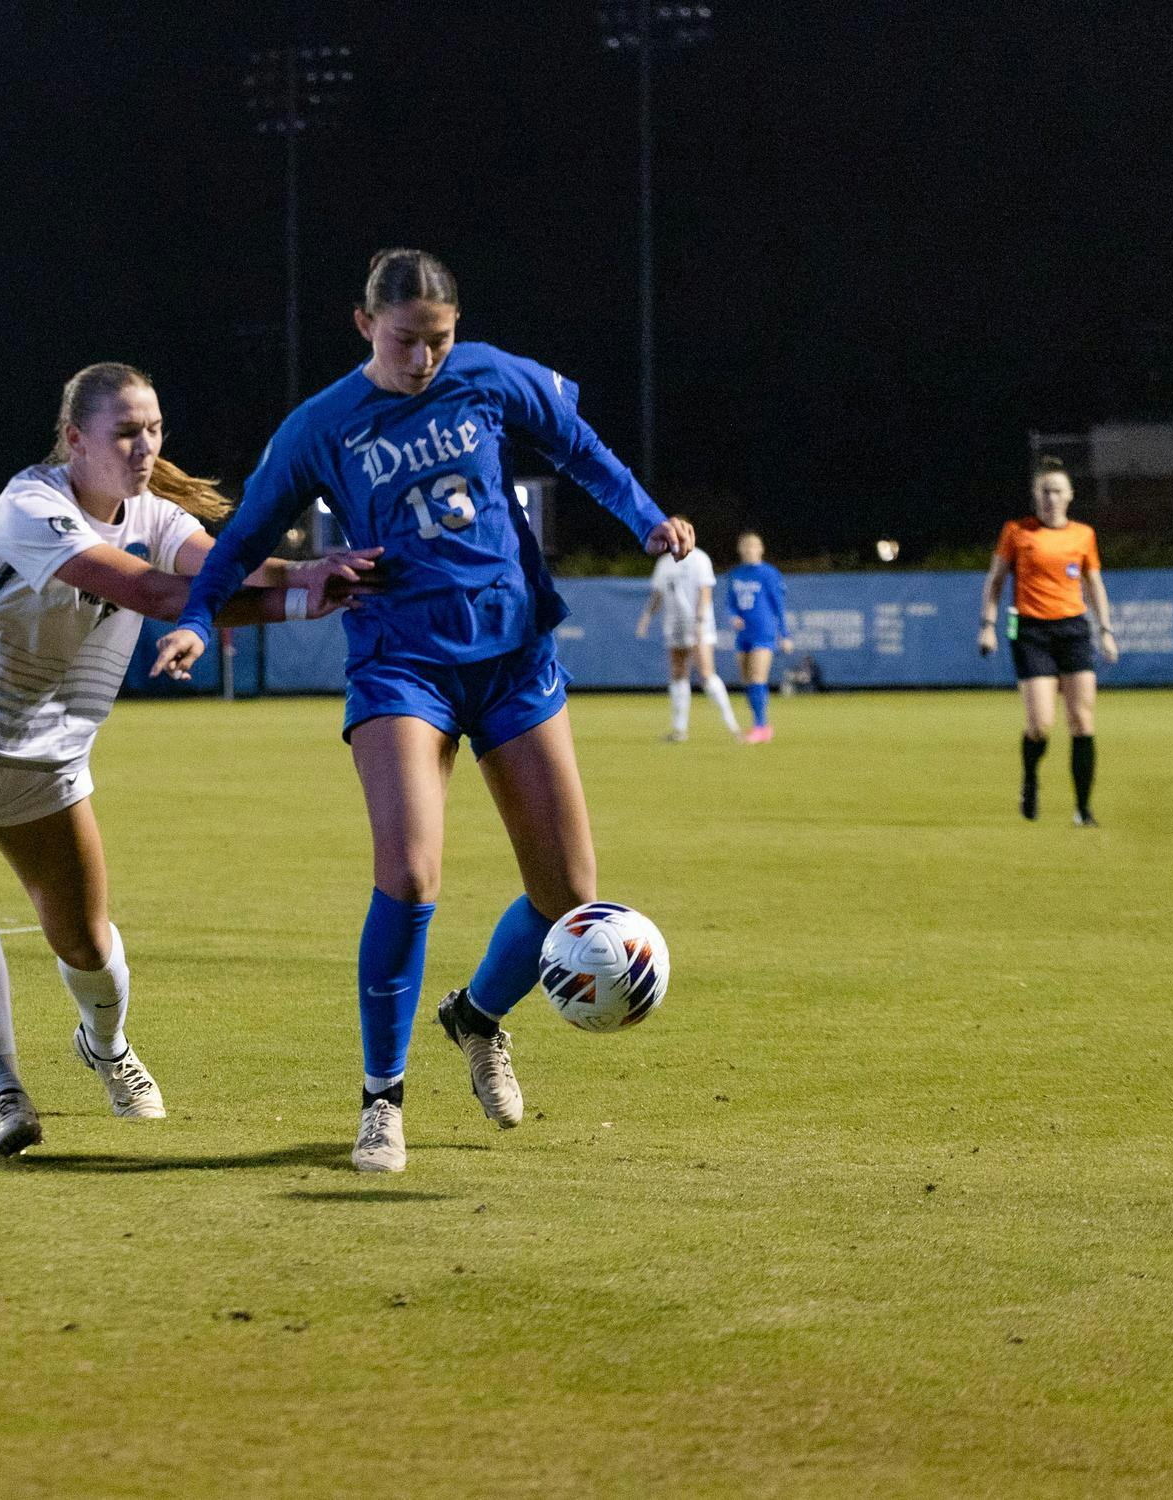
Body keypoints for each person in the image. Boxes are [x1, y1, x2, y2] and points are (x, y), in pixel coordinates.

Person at [149, 248, 695, 1174]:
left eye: (439, 340)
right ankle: (381, 1101)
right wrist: (200, 617)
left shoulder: (488, 375)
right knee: (408, 873)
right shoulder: (320, 425)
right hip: (402, 662)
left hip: (514, 655)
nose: (425, 360)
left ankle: (477, 1019)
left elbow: (578, 445)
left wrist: (644, 515)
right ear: (366, 325)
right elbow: (241, 537)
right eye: (407, 341)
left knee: (568, 895)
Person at [0, 362, 376, 1157]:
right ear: (75, 439)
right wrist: (306, 580)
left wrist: (318, 589)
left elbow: (215, 572)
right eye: (126, 433)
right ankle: (5, 1089)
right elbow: (153, 592)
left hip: (49, 761)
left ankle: (105, 1050)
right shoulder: (32, 507)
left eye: (155, 429)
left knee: (87, 945)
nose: (145, 447)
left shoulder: (154, 511)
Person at [976, 456, 1117, 825]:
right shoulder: (1017, 532)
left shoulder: (1083, 535)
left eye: (1057, 491)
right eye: (1044, 491)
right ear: (1036, 496)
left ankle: (1083, 810)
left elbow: (1094, 584)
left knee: (1082, 722)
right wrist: (989, 625)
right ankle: (1030, 778)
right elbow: (994, 581)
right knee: (1040, 725)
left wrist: (1105, 631)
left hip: (1073, 630)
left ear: (1069, 495)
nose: (1051, 498)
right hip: (1031, 632)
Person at [634, 542, 739, 741]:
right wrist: (646, 617)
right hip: (675, 625)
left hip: (698, 624)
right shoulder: (665, 563)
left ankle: (732, 726)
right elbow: (658, 594)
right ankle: (679, 730)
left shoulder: (700, 558)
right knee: (678, 673)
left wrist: (699, 622)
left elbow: (705, 592)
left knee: (706, 673)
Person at [724, 532, 790, 743]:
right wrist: (733, 617)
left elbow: (779, 605)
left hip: (764, 632)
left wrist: (785, 634)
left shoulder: (769, 574)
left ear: (761, 549)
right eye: (746, 546)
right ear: (740, 549)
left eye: (754, 546)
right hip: (743, 634)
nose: (750, 549)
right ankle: (761, 724)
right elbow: (730, 603)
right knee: (748, 682)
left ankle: (760, 727)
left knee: (757, 677)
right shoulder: (735, 574)